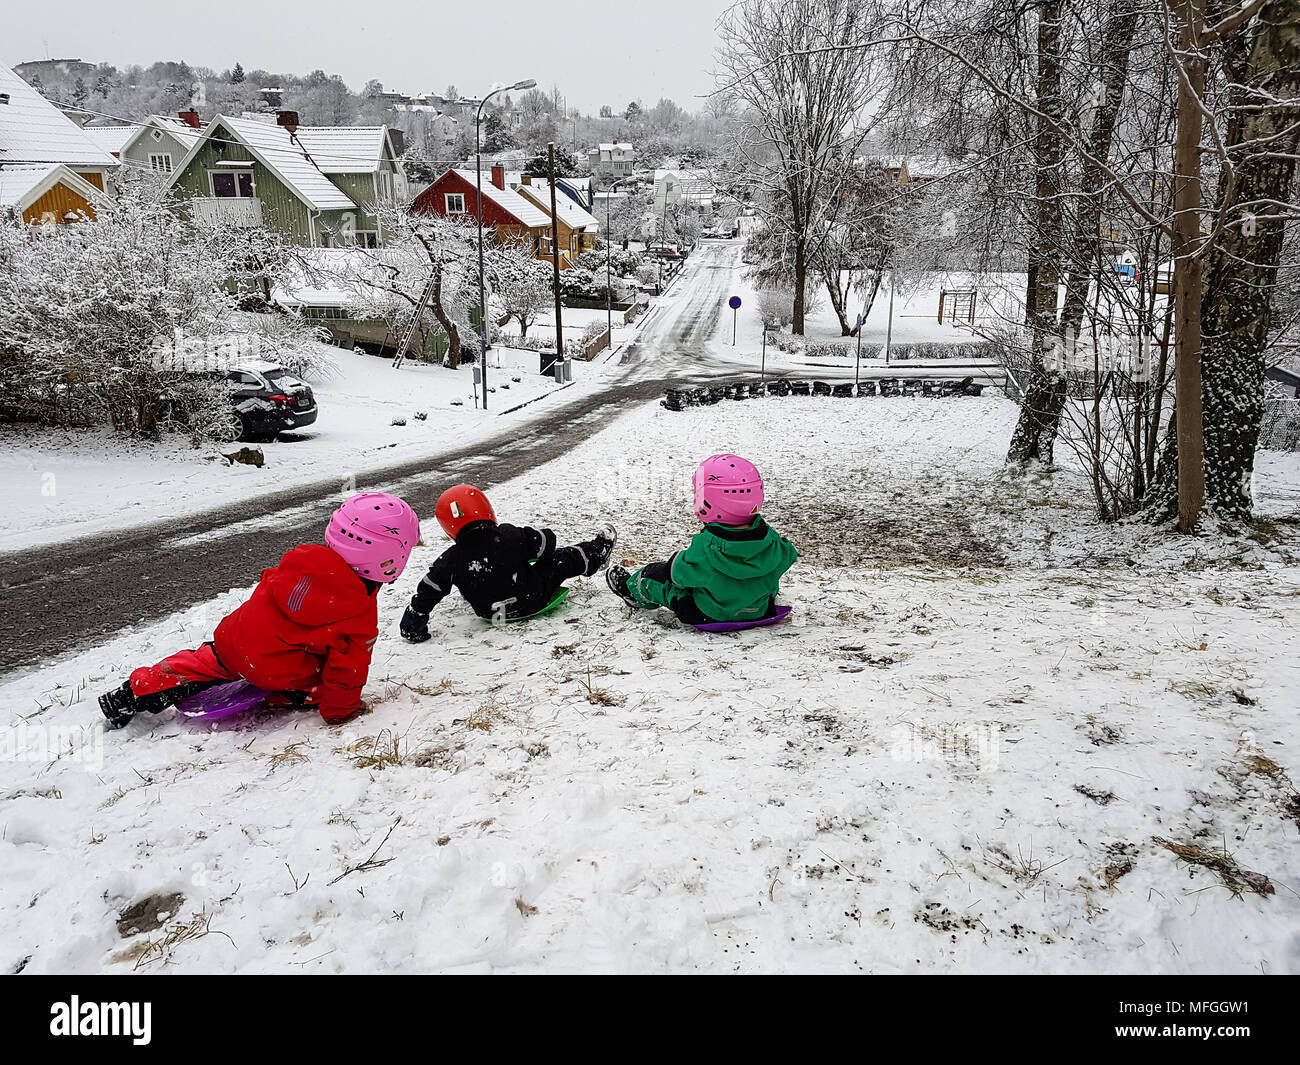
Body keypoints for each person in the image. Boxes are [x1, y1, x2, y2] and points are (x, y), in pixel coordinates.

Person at [98, 492, 420, 728]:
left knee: (199, 663)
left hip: (232, 642)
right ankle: (289, 695)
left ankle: (135, 689)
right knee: (320, 685)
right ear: (390, 559)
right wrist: (341, 711)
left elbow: (266, 595)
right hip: (276, 672)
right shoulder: (359, 610)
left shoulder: (298, 560)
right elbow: (347, 670)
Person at [400, 484, 615, 637]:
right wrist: (530, 543)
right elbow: (545, 543)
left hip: (491, 613)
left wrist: (415, 619)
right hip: (532, 599)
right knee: (559, 560)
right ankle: (596, 554)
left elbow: (430, 588)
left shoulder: (450, 559)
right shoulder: (508, 536)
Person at [607, 454, 797, 624]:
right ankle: (748, 600)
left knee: (654, 576)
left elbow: (677, 576)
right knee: (762, 577)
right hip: (759, 610)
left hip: (705, 613)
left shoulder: (706, 548)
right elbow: (789, 555)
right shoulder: (773, 543)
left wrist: (672, 564)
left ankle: (633, 592)